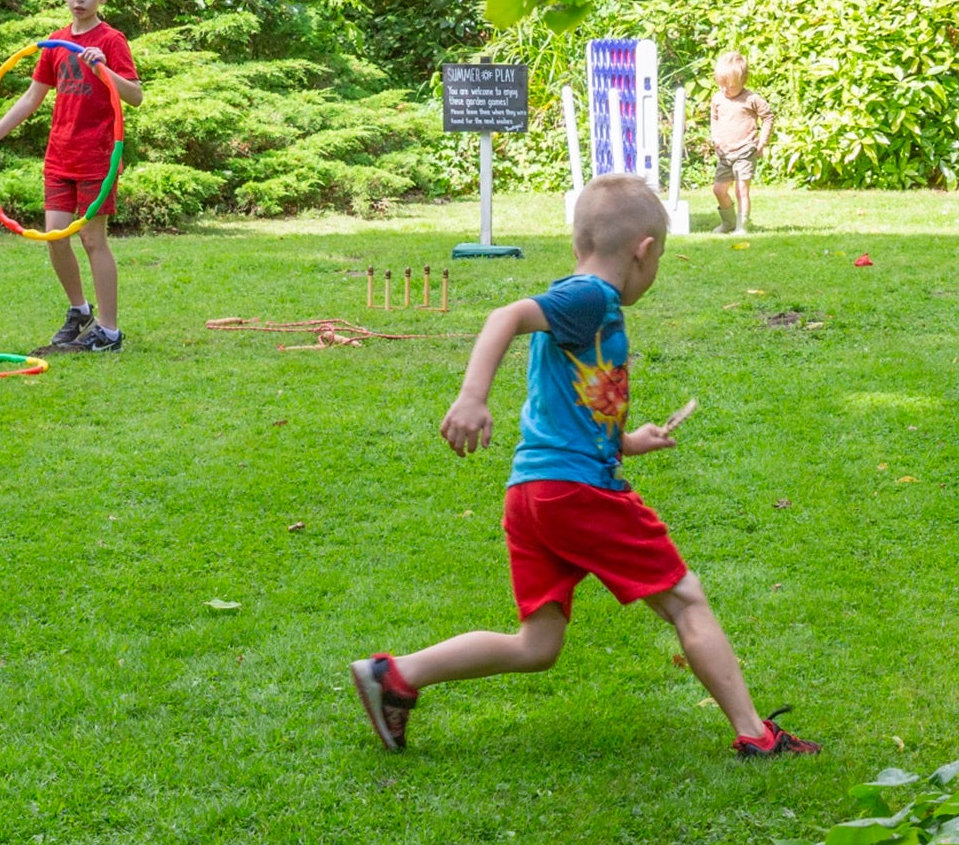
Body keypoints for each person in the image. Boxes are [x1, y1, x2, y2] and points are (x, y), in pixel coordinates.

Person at [347, 173, 817, 759]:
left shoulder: (579, 302)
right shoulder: (591, 297)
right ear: (645, 250)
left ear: (578, 243)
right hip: (578, 494)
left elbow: (563, 411)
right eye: (660, 257)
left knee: (537, 645)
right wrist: (471, 396)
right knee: (687, 601)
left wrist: (625, 441)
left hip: (535, 494)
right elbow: (504, 316)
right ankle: (757, 735)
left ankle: (396, 675)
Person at [0, 0, 142, 354]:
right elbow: (31, 98)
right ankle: (80, 311)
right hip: (59, 156)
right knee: (55, 238)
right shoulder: (55, 43)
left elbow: (135, 96)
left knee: (92, 240)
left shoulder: (111, 41)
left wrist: (105, 70)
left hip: (97, 154)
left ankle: (109, 332)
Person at [707, 52, 775, 234]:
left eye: (730, 86)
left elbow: (768, 117)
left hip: (745, 150)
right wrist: (715, 137)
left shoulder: (751, 99)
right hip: (725, 153)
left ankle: (742, 224)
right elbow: (714, 118)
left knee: (741, 189)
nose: (724, 90)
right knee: (719, 189)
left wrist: (763, 141)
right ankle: (728, 222)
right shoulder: (718, 98)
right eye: (720, 85)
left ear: (743, 81)